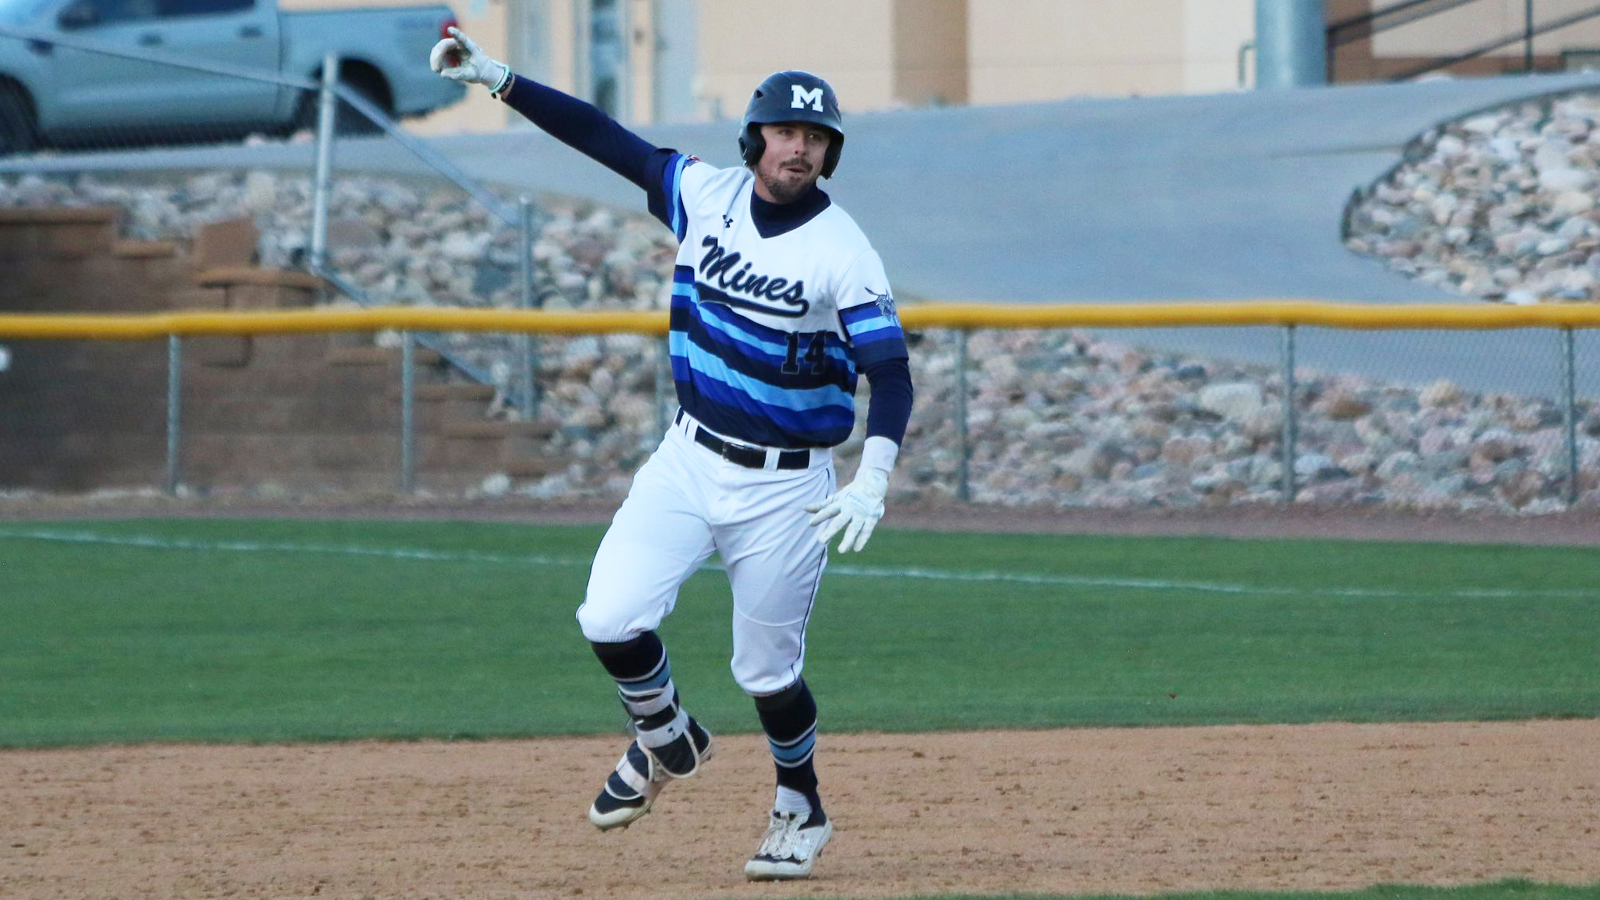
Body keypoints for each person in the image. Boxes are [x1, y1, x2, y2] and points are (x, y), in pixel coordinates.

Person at [431, 28, 914, 881]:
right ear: (756, 138)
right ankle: (666, 738)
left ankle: (800, 806)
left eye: (816, 137)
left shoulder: (843, 249)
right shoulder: (705, 195)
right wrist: (496, 78)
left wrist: (873, 476)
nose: (798, 147)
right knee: (608, 617)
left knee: (767, 674)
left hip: (787, 489)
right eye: (785, 131)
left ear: (828, 154)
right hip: (688, 460)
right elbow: (601, 138)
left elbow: (891, 373)